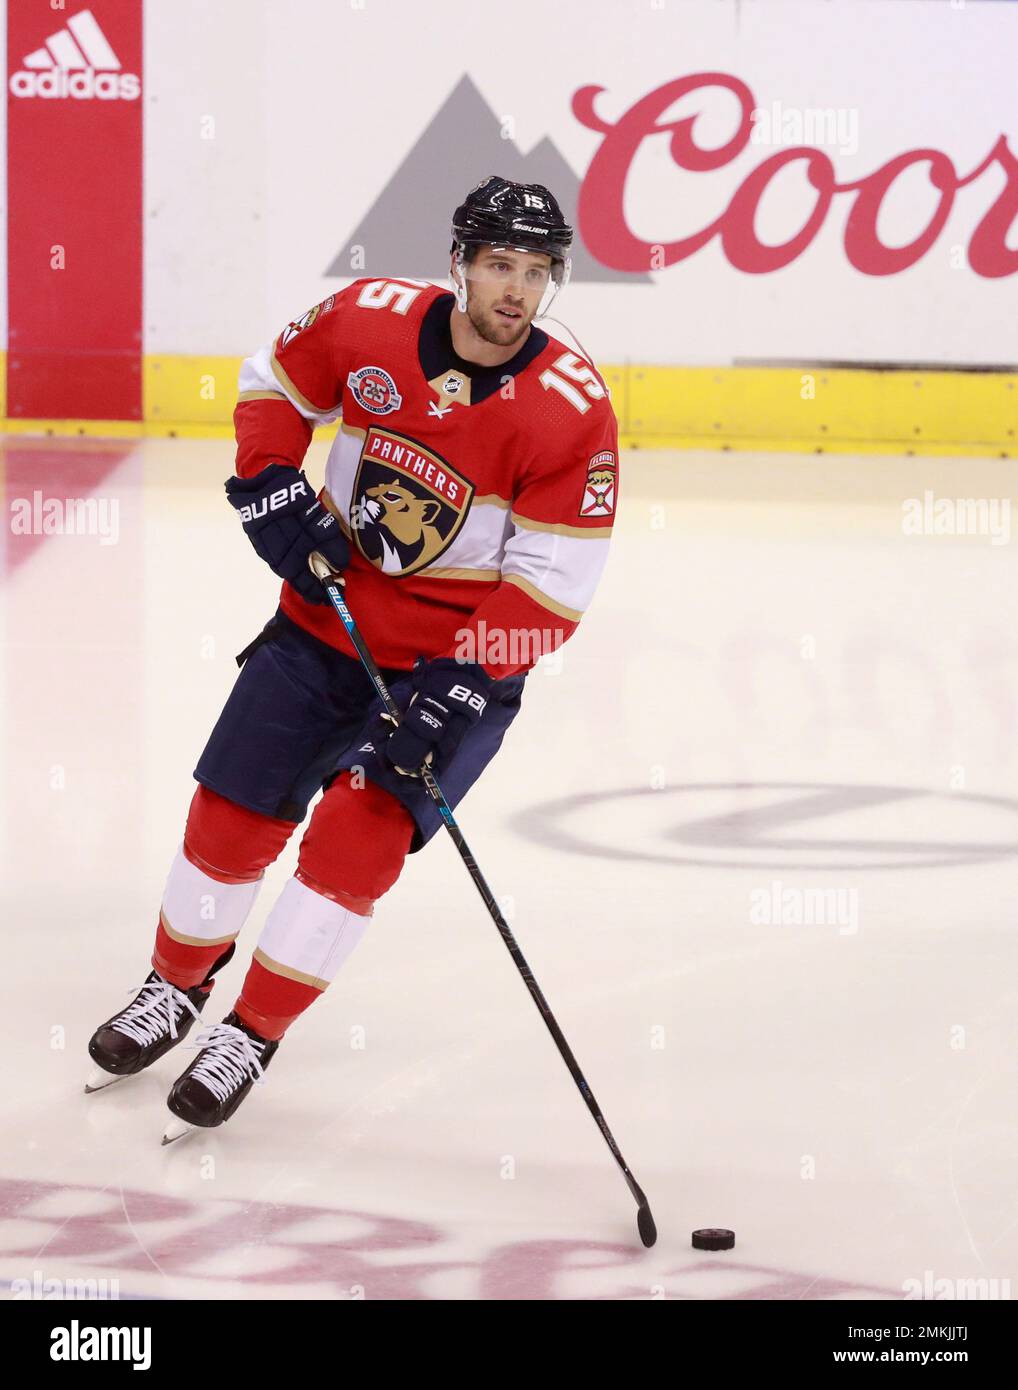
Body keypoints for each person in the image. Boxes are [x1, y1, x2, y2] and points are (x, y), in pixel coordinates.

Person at [86, 174, 619, 1138]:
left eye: (536, 273)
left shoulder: (571, 409)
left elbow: (554, 588)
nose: (516, 290)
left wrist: (459, 692)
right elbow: (273, 384)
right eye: (499, 264)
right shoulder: (368, 317)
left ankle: (251, 1032)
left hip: (456, 673)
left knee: (353, 849)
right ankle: (173, 989)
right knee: (230, 811)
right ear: (460, 263)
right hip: (323, 624)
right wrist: (271, 486)